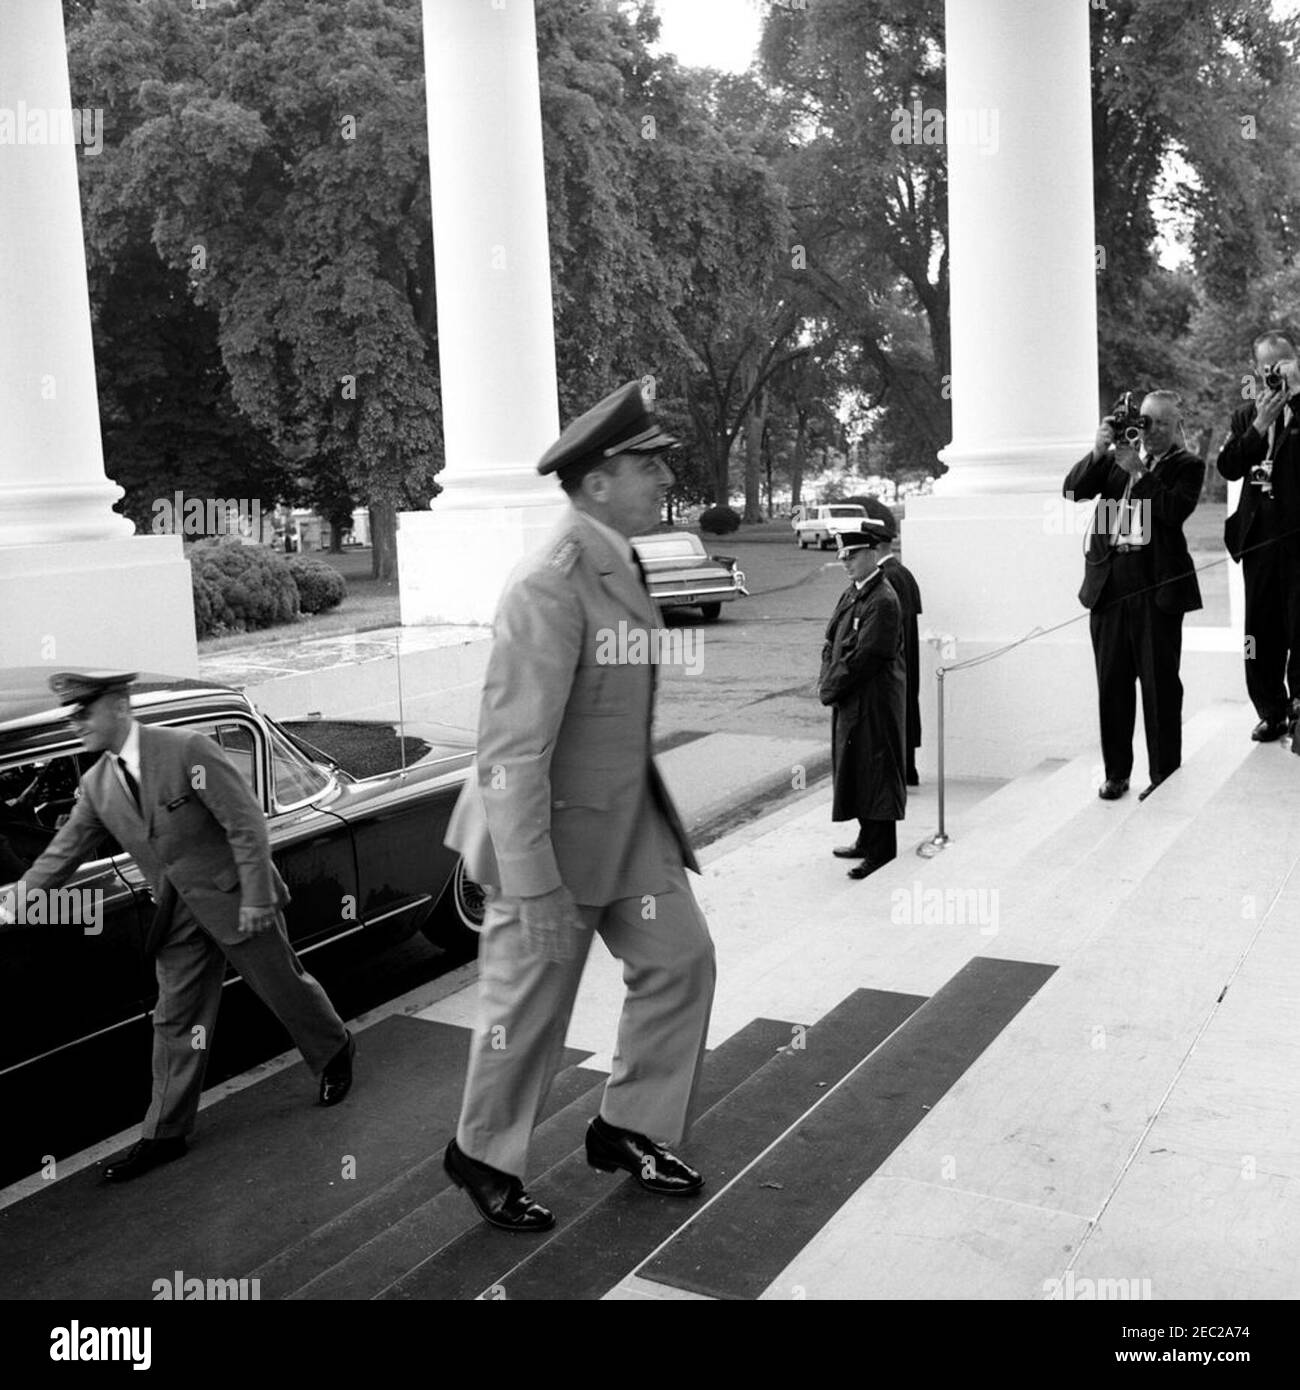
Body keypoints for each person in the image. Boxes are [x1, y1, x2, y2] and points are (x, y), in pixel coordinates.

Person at [442, 381, 717, 1233]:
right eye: (648, 465)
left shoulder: (617, 555)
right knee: (528, 1014)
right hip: (547, 837)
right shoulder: (548, 583)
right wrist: (533, 886)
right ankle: (482, 1154)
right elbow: (511, 751)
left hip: (626, 826)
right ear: (598, 480)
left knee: (682, 960)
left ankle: (626, 1126)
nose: (662, 479)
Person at [0, 672, 355, 1183]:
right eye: (71, 715)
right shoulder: (97, 785)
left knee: (282, 987)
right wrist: (17, 901)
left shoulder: (186, 750)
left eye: (84, 712)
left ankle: (335, 1047)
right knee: (175, 1020)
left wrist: (257, 894)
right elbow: (64, 851)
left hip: (234, 897)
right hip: (177, 913)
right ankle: (165, 1133)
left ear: (119, 705)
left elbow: (244, 822)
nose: (76, 722)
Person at [1063, 391, 1204, 802]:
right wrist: (1098, 450)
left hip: (1154, 587)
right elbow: (1073, 493)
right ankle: (1116, 773)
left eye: (1162, 422)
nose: (1152, 430)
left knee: (1159, 686)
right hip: (1109, 584)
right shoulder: (1116, 459)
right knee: (1113, 683)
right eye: (1146, 421)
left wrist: (1140, 472)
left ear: (1177, 425)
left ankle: (1163, 774)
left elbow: (1173, 511)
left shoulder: (1186, 465)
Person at [1216, 329, 1300, 741]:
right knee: (1259, 630)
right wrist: (1260, 425)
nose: (1273, 374)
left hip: (1298, 538)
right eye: (1265, 366)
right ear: (1255, 369)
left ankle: (1299, 707)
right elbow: (1228, 466)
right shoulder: (1244, 416)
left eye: (1281, 364)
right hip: (1259, 539)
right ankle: (1271, 709)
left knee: (1299, 625)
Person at [819, 520, 907, 880]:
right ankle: (866, 838)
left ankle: (881, 851)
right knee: (857, 769)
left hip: (873, 700)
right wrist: (830, 679)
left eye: (852, 555)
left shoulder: (882, 599)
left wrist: (831, 686)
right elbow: (832, 640)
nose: (846, 562)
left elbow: (867, 656)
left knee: (877, 771)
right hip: (852, 698)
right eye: (843, 556)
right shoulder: (855, 591)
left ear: (872, 553)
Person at [874, 514, 924, 786]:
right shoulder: (902, 573)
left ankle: (902, 772)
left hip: (896, 662)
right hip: (907, 660)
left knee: (896, 714)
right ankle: (907, 769)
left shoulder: (887, 577)